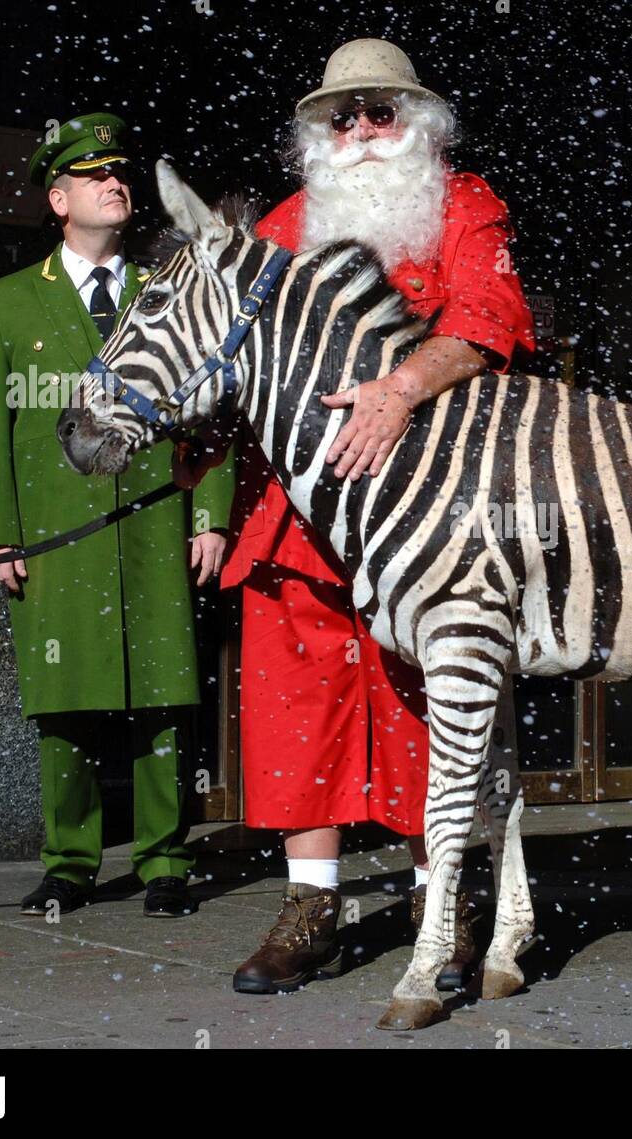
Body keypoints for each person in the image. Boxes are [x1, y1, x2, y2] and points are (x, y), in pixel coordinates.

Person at [222, 39, 535, 993]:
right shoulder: (281, 226)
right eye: (339, 117)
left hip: (427, 510)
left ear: (420, 123)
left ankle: (437, 894)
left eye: (379, 112)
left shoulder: (465, 205)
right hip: (293, 512)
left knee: (426, 701)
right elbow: (223, 352)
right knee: (294, 705)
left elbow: (491, 321)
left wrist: (399, 388)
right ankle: (310, 904)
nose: (359, 132)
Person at [0, 113, 234, 919]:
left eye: (121, 173)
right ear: (58, 196)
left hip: (156, 517)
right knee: (64, 697)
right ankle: (70, 861)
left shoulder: (172, 290)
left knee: (164, 695)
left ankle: (165, 859)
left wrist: (209, 512)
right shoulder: (3, 303)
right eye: (95, 175)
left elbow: (213, 408)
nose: (117, 184)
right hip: (56, 531)